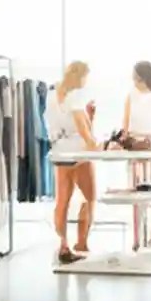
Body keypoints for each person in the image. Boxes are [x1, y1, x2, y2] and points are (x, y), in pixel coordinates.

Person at [47, 61, 100, 264]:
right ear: (80, 77)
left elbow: (63, 124)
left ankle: (63, 245)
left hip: (60, 152)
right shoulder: (75, 96)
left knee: (62, 202)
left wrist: (89, 117)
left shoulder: (53, 95)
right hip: (79, 153)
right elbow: (80, 127)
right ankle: (81, 243)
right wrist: (93, 144)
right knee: (89, 197)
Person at [122, 60, 151, 139]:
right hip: (134, 140)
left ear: (144, 79)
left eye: (136, 78)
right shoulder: (131, 95)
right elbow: (125, 124)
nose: (134, 81)